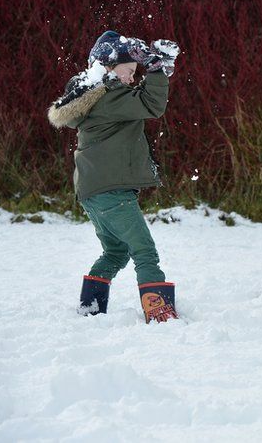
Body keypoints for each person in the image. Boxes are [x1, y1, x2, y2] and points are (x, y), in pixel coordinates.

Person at [48, 31, 180, 323]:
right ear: (107, 66)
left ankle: (91, 307)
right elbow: (151, 105)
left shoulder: (94, 97)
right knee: (144, 250)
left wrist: (161, 70)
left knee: (116, 252)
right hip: (112, 191)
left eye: (137, 72)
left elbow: (141, 97)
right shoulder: (109, 96)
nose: (133, 77)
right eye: (130, 70)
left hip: (92, 190)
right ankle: (160, 314)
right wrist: (156, 70)